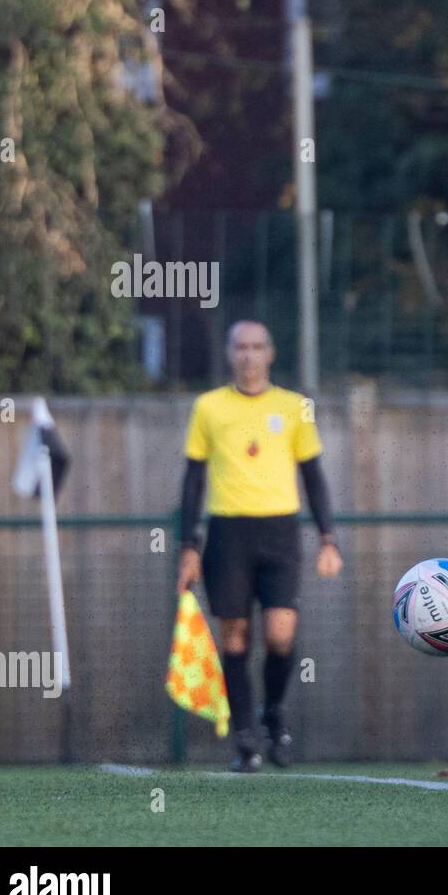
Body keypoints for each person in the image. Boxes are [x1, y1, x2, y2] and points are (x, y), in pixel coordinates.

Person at [176, 321, 343, 772]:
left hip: (280, 534)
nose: (248, 356)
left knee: (279, 633)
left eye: (256, 347)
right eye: (240, 347)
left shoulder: (295, 408)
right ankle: (245, 738)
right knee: (235, 636)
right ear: (230, 354)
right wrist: (188, 545)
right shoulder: (208, 407)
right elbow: (192, 482)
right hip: (228, 534)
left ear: (270, 353)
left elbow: (313, 474)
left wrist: (329, 537)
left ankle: (274, 715)